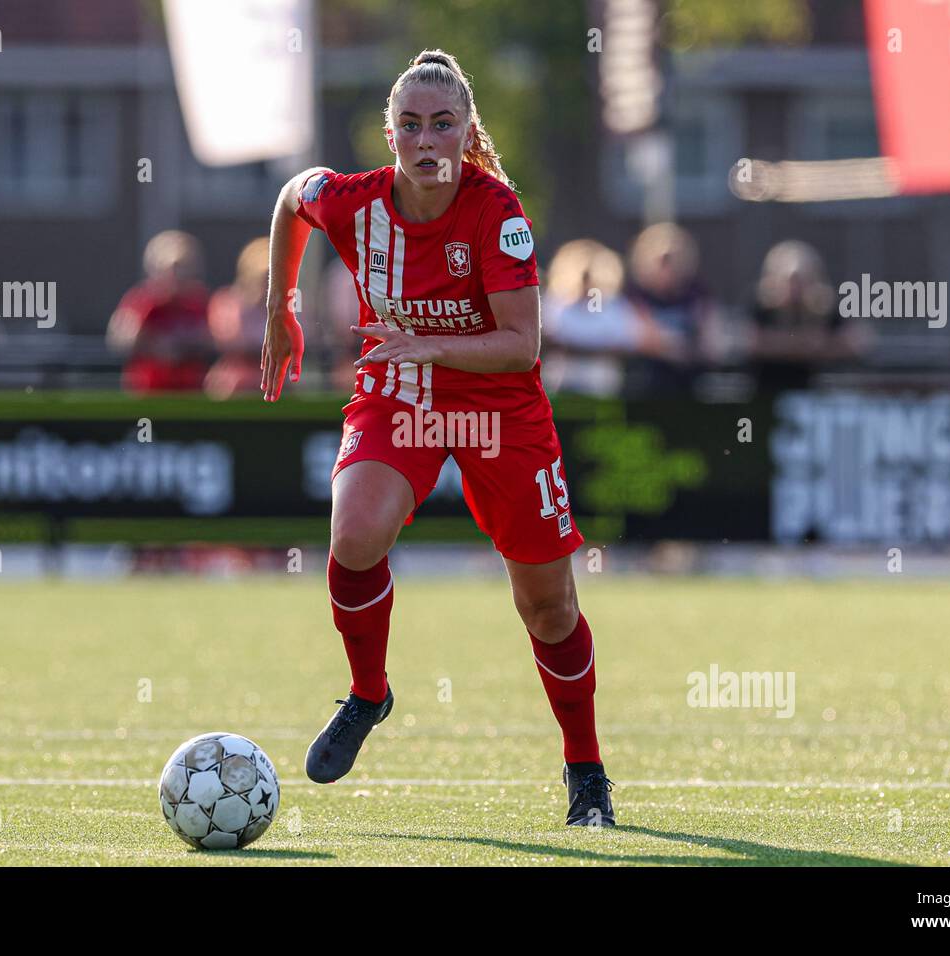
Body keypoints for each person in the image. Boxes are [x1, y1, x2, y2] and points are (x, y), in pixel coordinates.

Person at [259, 49, 614, 826]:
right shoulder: (353, 200)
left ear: (465, 133)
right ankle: (367, 694)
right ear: (389, 136)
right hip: (400, 391)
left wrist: (431, 344)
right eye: (410, 125)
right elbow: (293, 196)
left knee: (548, 608)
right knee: (353, 535)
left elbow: (521, 346)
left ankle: (585, 771)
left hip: (499, 409)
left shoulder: (498, 214)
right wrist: (280, 305)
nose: (426, 141)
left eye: (442, 125)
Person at [746, 240, 869, 391]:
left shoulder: (824, 309)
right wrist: (805, 344)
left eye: (802, 280)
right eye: (791, 280)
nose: (795, 287)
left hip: (814, 395)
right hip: (768, 392)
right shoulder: (762, 308)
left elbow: (857, 342)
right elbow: (751, 343)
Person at [542, 238, 653, 397]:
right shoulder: (554, 304)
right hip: (563, 375)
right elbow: (550, 336)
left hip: (601, 377)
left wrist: (585, 348)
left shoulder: (615, 306)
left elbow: (627, 341)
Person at [622, 222, 722, 396]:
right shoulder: (635, 296)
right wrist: (677, 349)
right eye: (662, 260)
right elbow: (645, 340)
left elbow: (710, 343)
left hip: (690, 386)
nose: (668, 266)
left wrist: (686, 350)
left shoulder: (698, 294)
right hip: (645, 385)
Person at [107, 230, 214, 393]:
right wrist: (152, 341)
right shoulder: (141, 301)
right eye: (174, 268)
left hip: (191, 390)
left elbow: (214, 340)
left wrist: (185, 345)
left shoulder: (199, 302)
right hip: (148, 389)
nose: (178, 275)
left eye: (185, 267)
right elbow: (121, 341)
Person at [205, 237, 271, 398]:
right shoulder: (226, 302)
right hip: (235, 385)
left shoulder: (289, 305)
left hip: (276, 381)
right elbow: (230, 340)